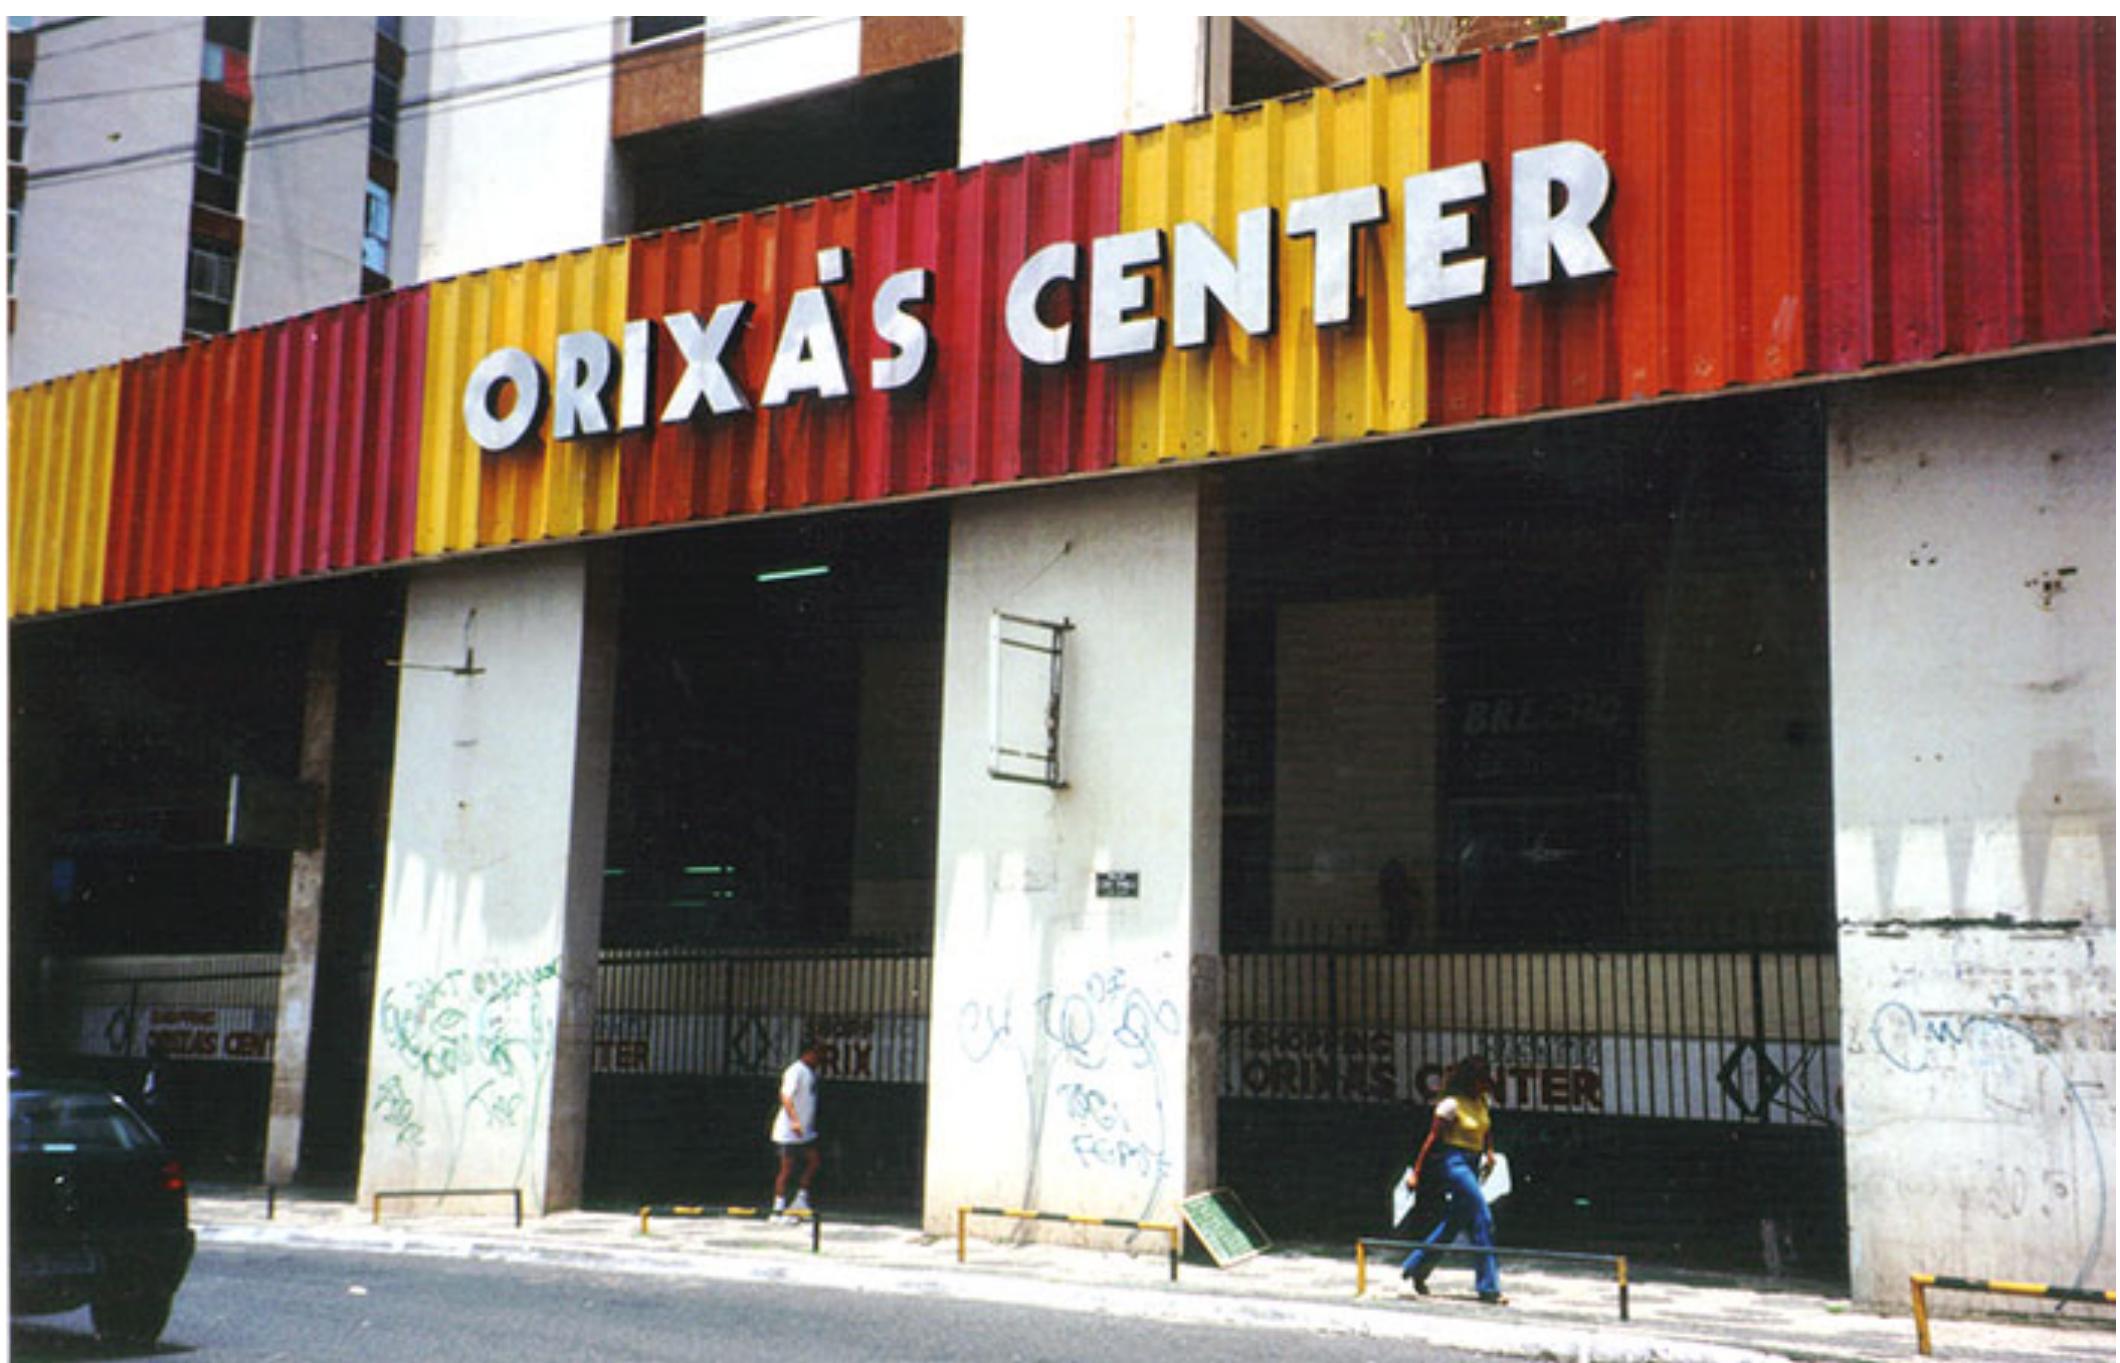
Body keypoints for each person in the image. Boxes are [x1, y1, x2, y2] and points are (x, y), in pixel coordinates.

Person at [1400, 1054, 1505, 1305]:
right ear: (1471, 1080)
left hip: (1472, 1161)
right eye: (1481, 1080)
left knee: (1455, 1220)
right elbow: (1432, 1140)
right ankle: (1488, 1287)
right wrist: (1416, 1172)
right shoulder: (1450, 1105)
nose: (1485, 1085)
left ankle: (1416, 1267)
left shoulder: (1481, 1102)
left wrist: (1489, 1153)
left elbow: (1486, 1129)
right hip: (1453, 1163)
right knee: (1483, 1217)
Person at [770, 1037, 822, 1219]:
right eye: (816, 1052)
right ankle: (777, 1209)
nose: (819, 1057)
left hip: (805, 1132)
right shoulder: (795, 1071)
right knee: (786, 1169)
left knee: (814, 1161)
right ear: (808, 1053)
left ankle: (800, 1198)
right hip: (789, 1131)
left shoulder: (810, 1072)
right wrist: (794, 1121)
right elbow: (785, 1096)